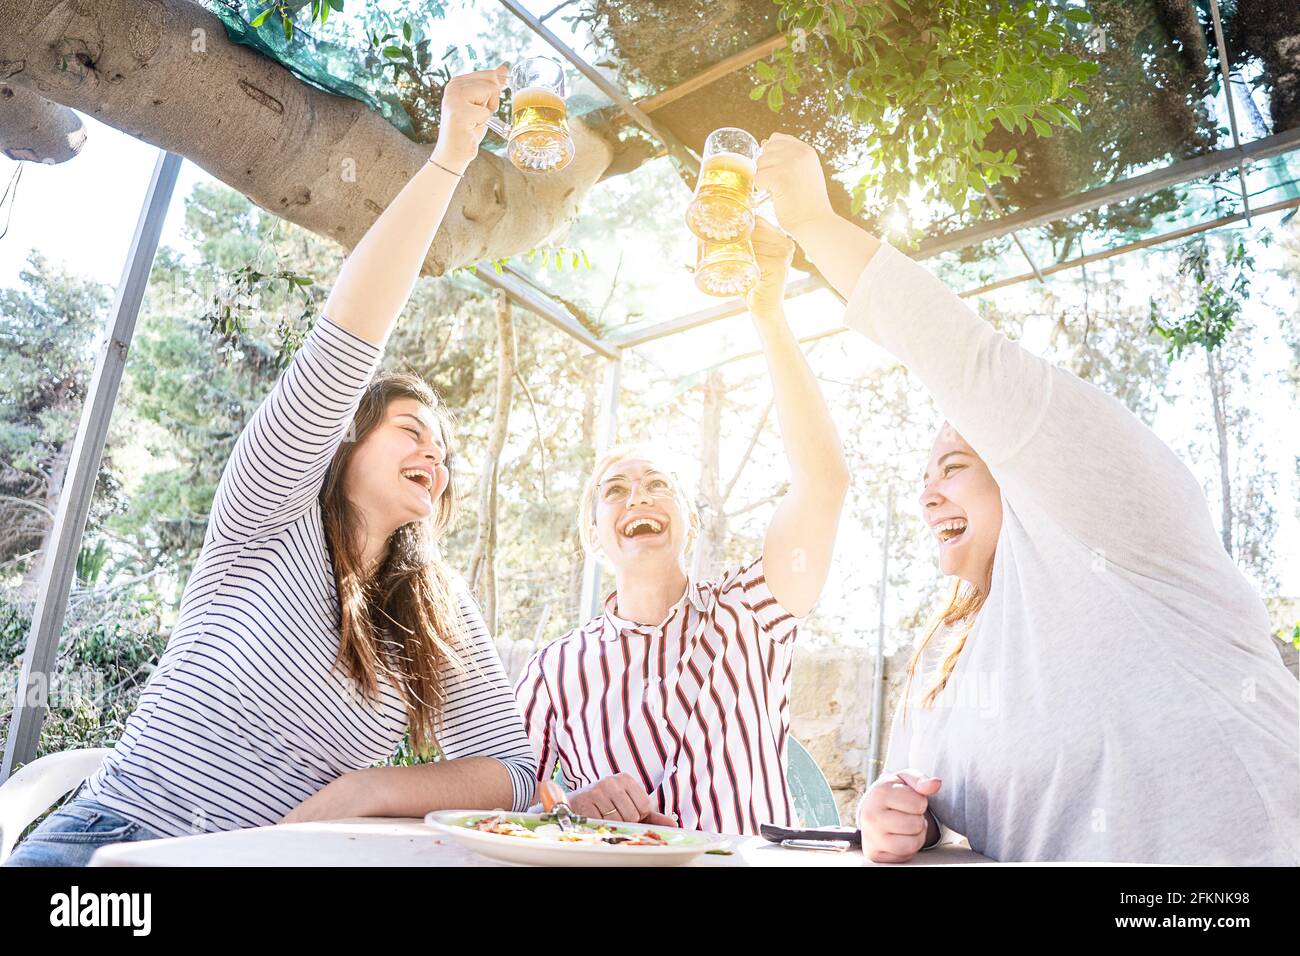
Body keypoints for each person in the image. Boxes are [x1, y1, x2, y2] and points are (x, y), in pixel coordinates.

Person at [6, 66, 537, 866]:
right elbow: (350, 333)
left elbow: (516, 774)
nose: (436, 453)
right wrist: (448, 159)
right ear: (345, 441)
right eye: (410, 430)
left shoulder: (430, 607)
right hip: (112, 846)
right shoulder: (272, 510)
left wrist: (368, 789)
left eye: (446, 448)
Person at [755, 132, 1300, 864]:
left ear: (1021, 468)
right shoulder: (942, 655)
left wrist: (814, 223)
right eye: (924, 481)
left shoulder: (1120, 523)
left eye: (953, 465)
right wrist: (897, 813)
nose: (927, 497)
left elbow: (966, 359)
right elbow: (937, 806)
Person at [513, 217, 849, 835]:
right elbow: (508, 800)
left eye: (657, 484)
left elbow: (824, 485)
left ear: (688, 522)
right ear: (595, 537)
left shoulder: (751, 611)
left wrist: (769, 315)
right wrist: (572, 809)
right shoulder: (554, 668)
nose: (637, 495)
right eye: (615, 491)